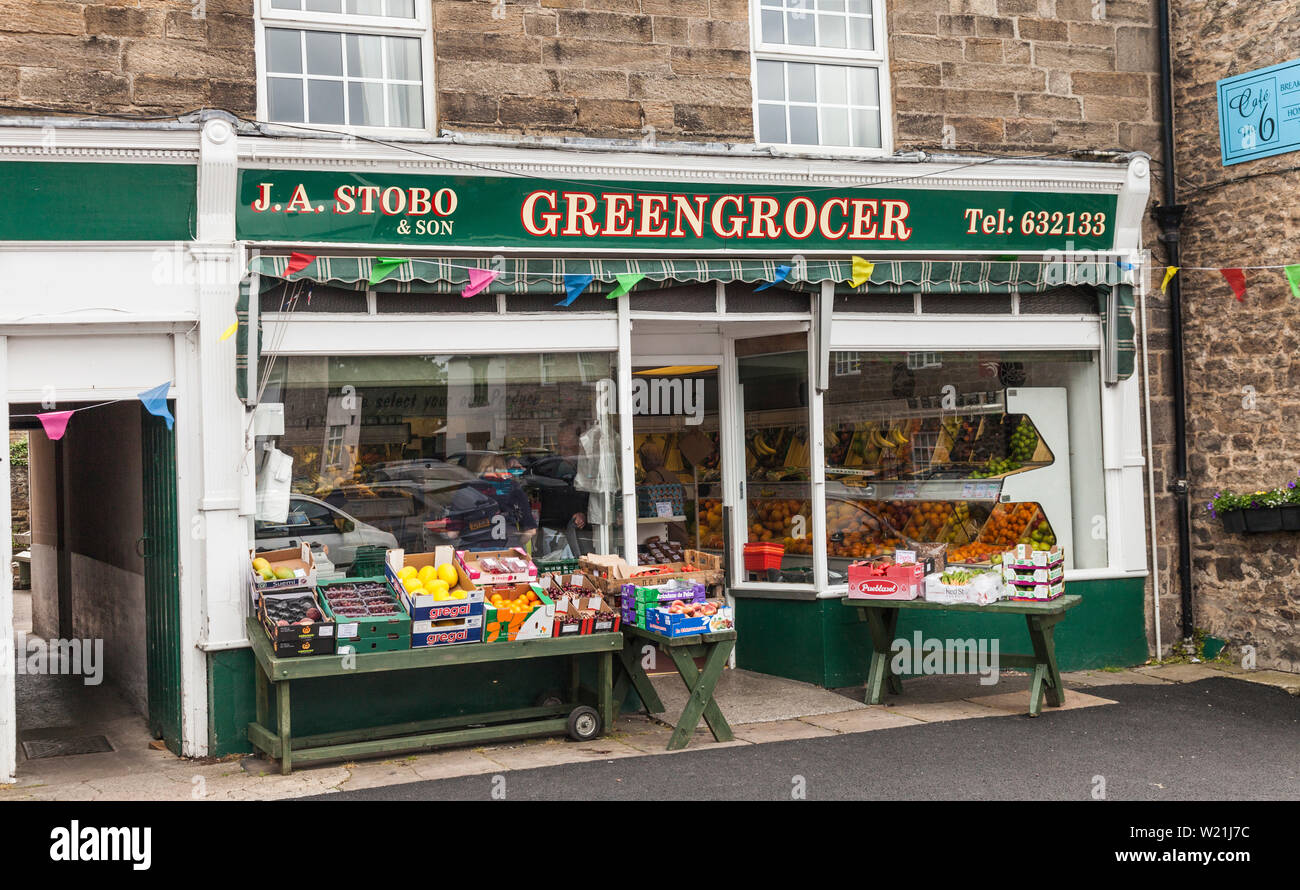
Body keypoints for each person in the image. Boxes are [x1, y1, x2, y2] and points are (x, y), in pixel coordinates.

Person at [473, 452, 538, 548]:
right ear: (503, 468)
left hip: (476, 551)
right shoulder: (514, 488)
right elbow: (530, 530)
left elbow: (453, 533)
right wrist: (515, 545)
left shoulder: (471, 489)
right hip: (507, 550)